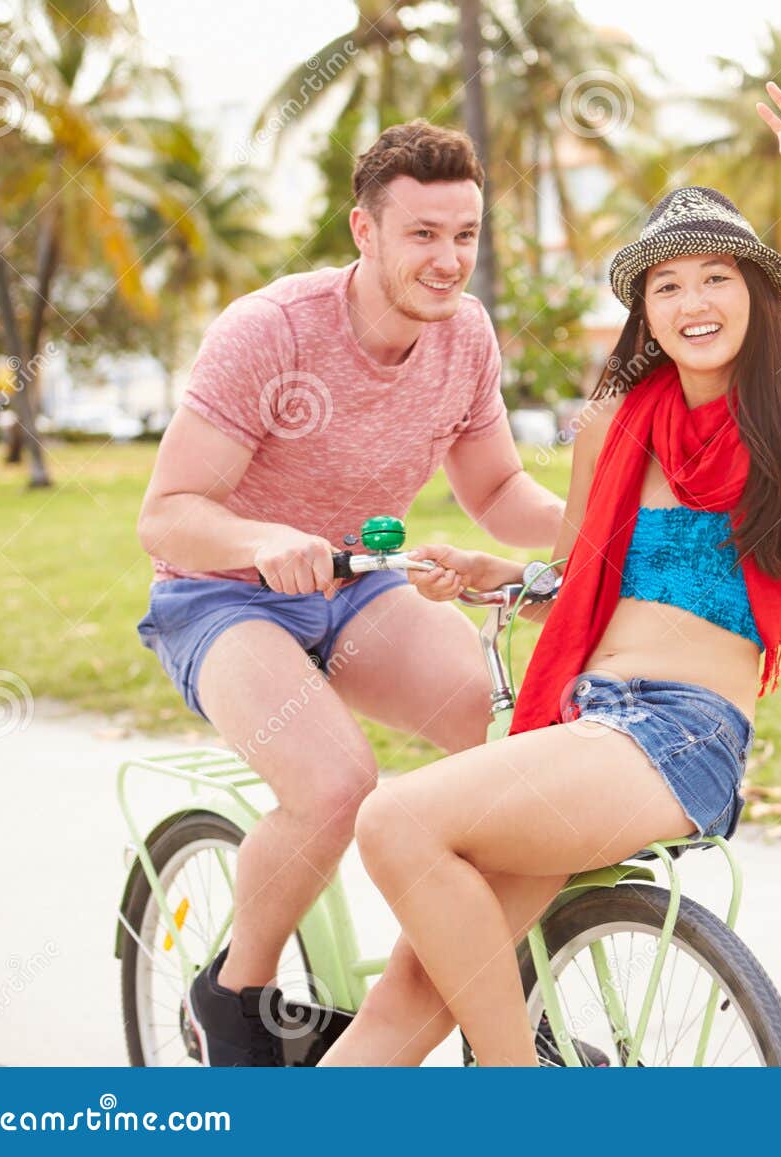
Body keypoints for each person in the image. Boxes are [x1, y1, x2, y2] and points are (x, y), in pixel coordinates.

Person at [319, 80, 781, 1066]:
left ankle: (510, 1077)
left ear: (755, 295)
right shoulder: (612, 427)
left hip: (679, 733)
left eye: (716, 278)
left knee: (397, 819)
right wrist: (500, 572)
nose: (693, 301)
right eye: (668, 285)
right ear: (644, 311)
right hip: (581, 725)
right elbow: (577, 579)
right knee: (404, 1002)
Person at [134, 120, 563, 1066]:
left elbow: (495, 492)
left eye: (465, 234)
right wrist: (262, 538)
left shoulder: (467, 338)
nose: (449, 261)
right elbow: (166, 514)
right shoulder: (270, 332)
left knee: (513, 755)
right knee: (336, 786)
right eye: (423, 234)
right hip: (221, 596)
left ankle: (465, 991)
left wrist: (606, 524)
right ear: (364, 232)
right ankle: (235, 994)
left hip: (359, 589)